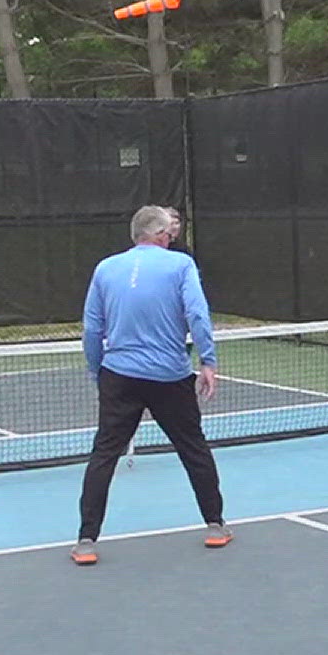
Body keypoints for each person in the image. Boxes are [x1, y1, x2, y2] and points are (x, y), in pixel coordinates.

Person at [72, 205, 232, 565]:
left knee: (104, 455)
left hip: (119, 377)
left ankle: (85, 541)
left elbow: (91, 329)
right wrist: (208, 359)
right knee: (193, 449)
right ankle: (215, 526)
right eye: (170, 234)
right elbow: (197, 313)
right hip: (170, 378)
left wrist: (98, 371)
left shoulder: (105, 268)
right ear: (162, 235)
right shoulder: (181, 266)